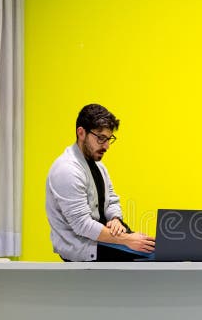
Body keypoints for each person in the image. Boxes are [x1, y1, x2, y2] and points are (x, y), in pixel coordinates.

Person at [45, 103, 155, 262]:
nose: (107, 146)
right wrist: (127, 239)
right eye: (101, 138)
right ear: (81, 133)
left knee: (156, 248)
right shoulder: (66, 170)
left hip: (104, 237)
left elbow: (112, 200)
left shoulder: (98, 165)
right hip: (85, 246)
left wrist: (115, 219)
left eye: (109, 139)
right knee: (153, 255)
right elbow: (82, 225)